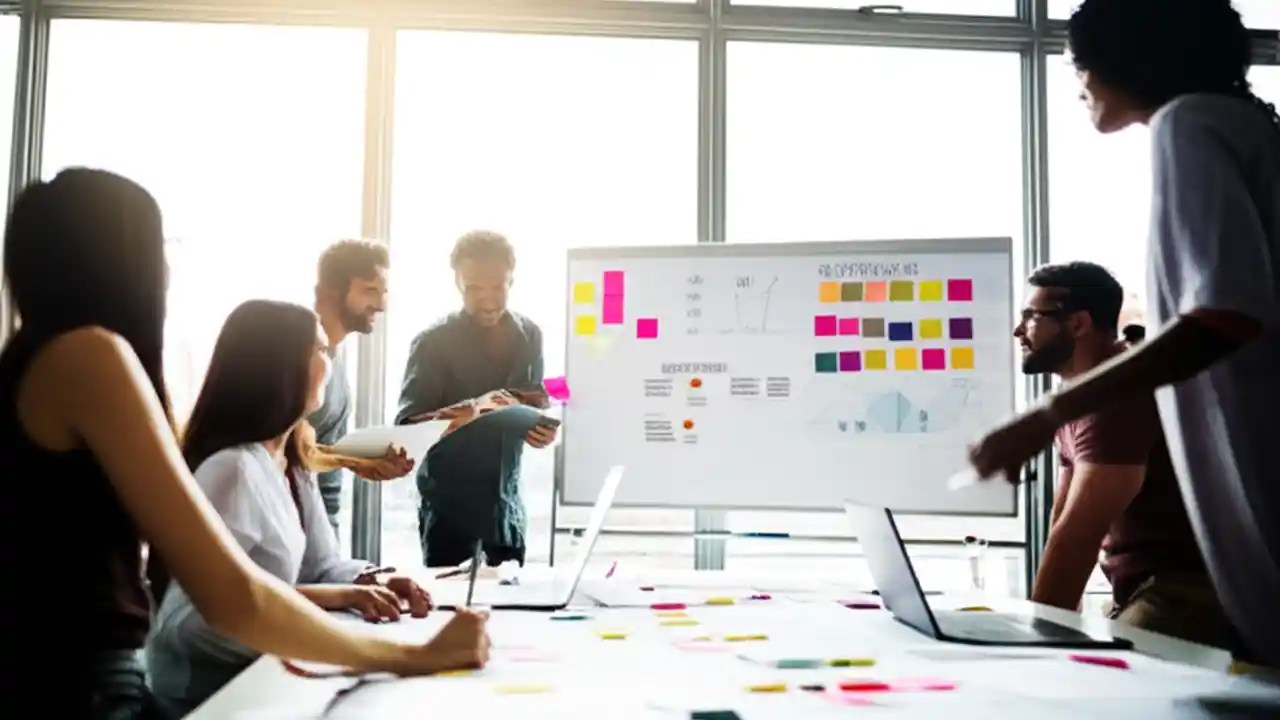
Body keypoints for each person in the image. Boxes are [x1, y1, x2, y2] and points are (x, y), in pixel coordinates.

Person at [0, 169, 488, 717]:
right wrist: (412, 656)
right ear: (118, 255)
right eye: (160, 245)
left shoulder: (32, 362)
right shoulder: (89, 357)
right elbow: (235, 598)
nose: (166, 265)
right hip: (86, 692)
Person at [969, 0, 1279, 666]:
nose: (1076, 79)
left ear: (1129, 61)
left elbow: (1224, 314)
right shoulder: (1246, 126)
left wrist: (1051, 409)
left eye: (1079, 60)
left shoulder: (1187, 123)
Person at [147, 300, 436, 717]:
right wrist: (336, 598)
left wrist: (372, 581)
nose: (329, 360)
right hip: (213, 698)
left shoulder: (291, 458)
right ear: (280, 365)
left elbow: (321, 566)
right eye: (319, 350)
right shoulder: (232, 471)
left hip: (271, 681)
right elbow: (193, 622)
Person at [1015, 262, 1225, 646]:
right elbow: (1063, 519)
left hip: (1184, 592)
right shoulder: (1079, 397)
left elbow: (1079, 535)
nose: (1018, 330)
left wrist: (1035, 646)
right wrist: (1051, 617)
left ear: (1078, 324)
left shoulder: (1116, 401)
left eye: (1031, 316)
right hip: (1142, 589)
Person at [395, 230, 557, 567]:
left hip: (507, 510)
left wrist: (540, 431)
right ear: (457, 283)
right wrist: (482, 407)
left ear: (512, 279)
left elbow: (533, 401)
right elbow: (407, 428)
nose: (488, 300)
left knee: (514, 614)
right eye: (474, 289)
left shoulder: (530, 336)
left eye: (498, 287)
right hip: (451, 515)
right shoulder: (432, 343)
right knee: (453, 614)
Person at [309, 238, 415, 536]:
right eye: (370, 290)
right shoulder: (296, 355)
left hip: (318, 529)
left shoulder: (337, 357)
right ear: (331, 291)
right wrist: (356, 461)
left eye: (383, 292)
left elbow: (326, 452)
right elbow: (276, 451)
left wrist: (370, 456)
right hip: (281, 530)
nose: (381, 305)